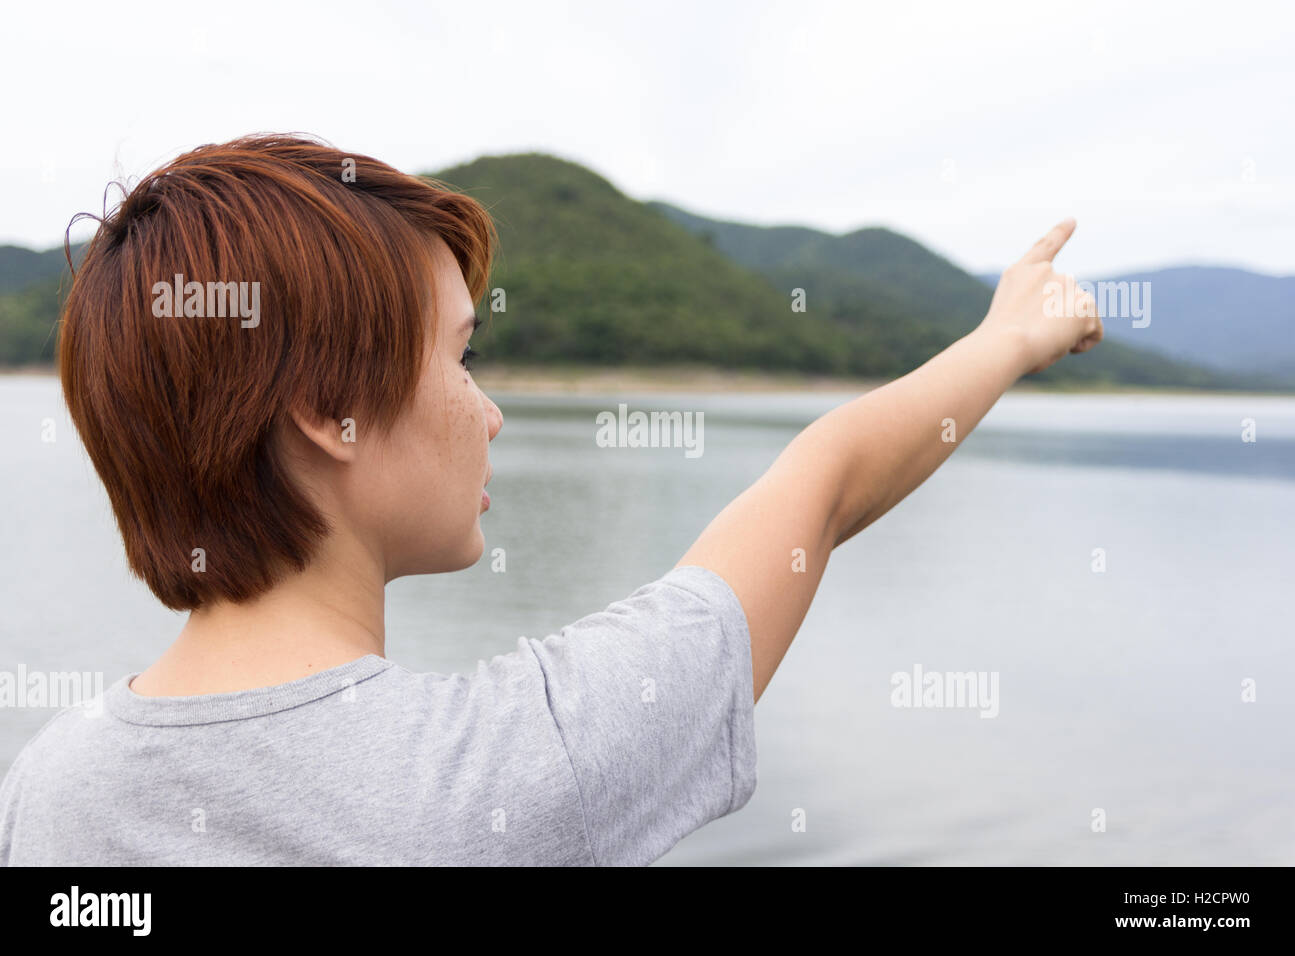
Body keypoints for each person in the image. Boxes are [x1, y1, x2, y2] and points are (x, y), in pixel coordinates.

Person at [0, 134, 1101, 866]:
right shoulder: (513, 767)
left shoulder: (45, 792)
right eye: (460, 354)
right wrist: (1009, 337)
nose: (490, 413)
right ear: (328, 409)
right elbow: (819, 488)